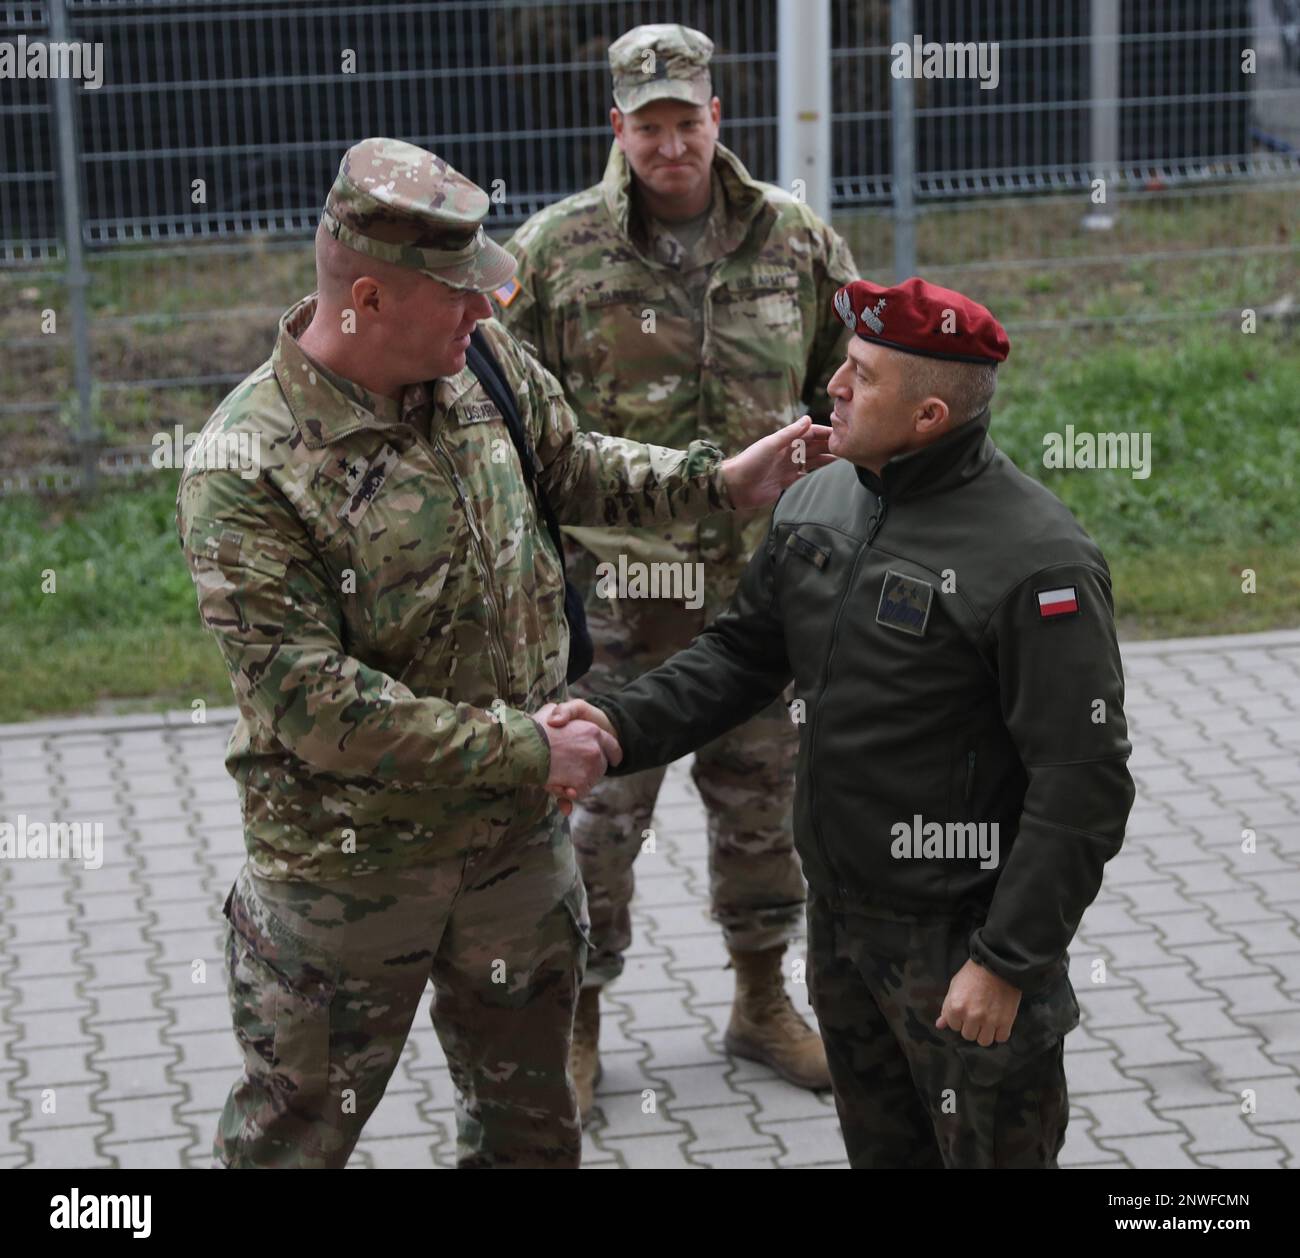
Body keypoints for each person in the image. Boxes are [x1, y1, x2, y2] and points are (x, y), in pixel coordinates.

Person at [176, 136, 834, 1169]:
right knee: (294, 1136)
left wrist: (718, 481)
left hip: (513, 853)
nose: (486, 309)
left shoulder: (479, 362)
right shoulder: (246, 464)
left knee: (531, 1131)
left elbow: (572, 465)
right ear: (371, 298)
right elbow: (313, 701)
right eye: (457, 293)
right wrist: (534, 749)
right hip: (351, 876)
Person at [545, 276, 1136, 1168]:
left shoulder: (1036, 563)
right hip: (844, 929)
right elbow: (743, 654)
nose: (834, 387)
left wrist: (1009, 962)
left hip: (961, 944)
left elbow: (1081, 786)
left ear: (930, 414)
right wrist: (616, 728)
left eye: (860, 374)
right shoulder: (822, 500)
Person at [498, 21, 858, 1111]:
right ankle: (578, 1019)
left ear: (717, 119)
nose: (669, 144)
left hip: (762, 592)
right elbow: (509, 424)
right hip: (616, 606)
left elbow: (851, 387)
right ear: (617, 127)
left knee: (765, 807)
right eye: (647, 125)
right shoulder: (555, 253)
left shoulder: (792, 240)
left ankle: (760, 1002)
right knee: (596, 816)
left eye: (685, 121)